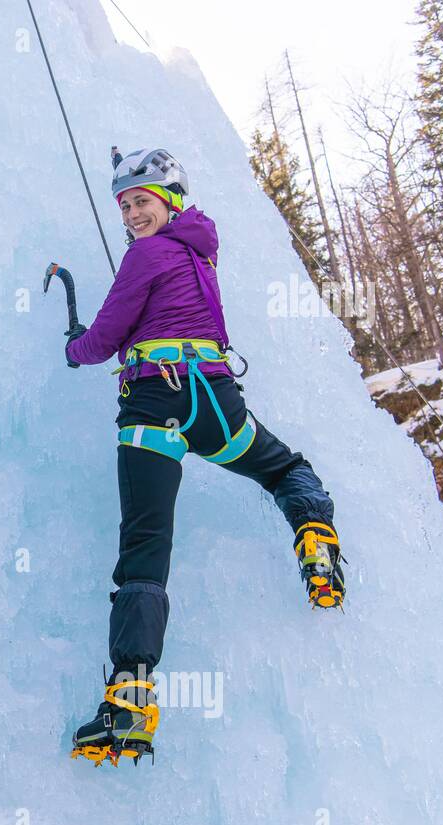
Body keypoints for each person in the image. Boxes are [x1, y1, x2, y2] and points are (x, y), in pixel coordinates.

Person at [63, 147, 346, 767]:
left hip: (152, 403)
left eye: (143, 201)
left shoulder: (148, 252)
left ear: (169, 201)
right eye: (126, 205)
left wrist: (73, 346)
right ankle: (315, 539)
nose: (134, 214)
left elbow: (106, 335)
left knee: (145, 548)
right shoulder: (200, 250)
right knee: (284, 469)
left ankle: (130, 696)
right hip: (215, 402)